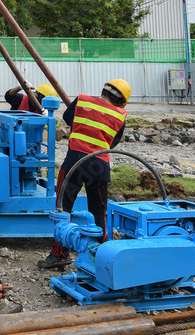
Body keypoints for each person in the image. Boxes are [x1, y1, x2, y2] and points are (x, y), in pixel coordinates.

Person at [37, 78, 131, 270]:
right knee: (99, 211)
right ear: (122, 101)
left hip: (74, 163)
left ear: (103, 90)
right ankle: (102, 256)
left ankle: (59, 254)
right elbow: (113, 143)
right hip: (99, 166)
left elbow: (69, 119)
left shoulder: (82, 100)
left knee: (63, 208)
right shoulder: (121, 115)